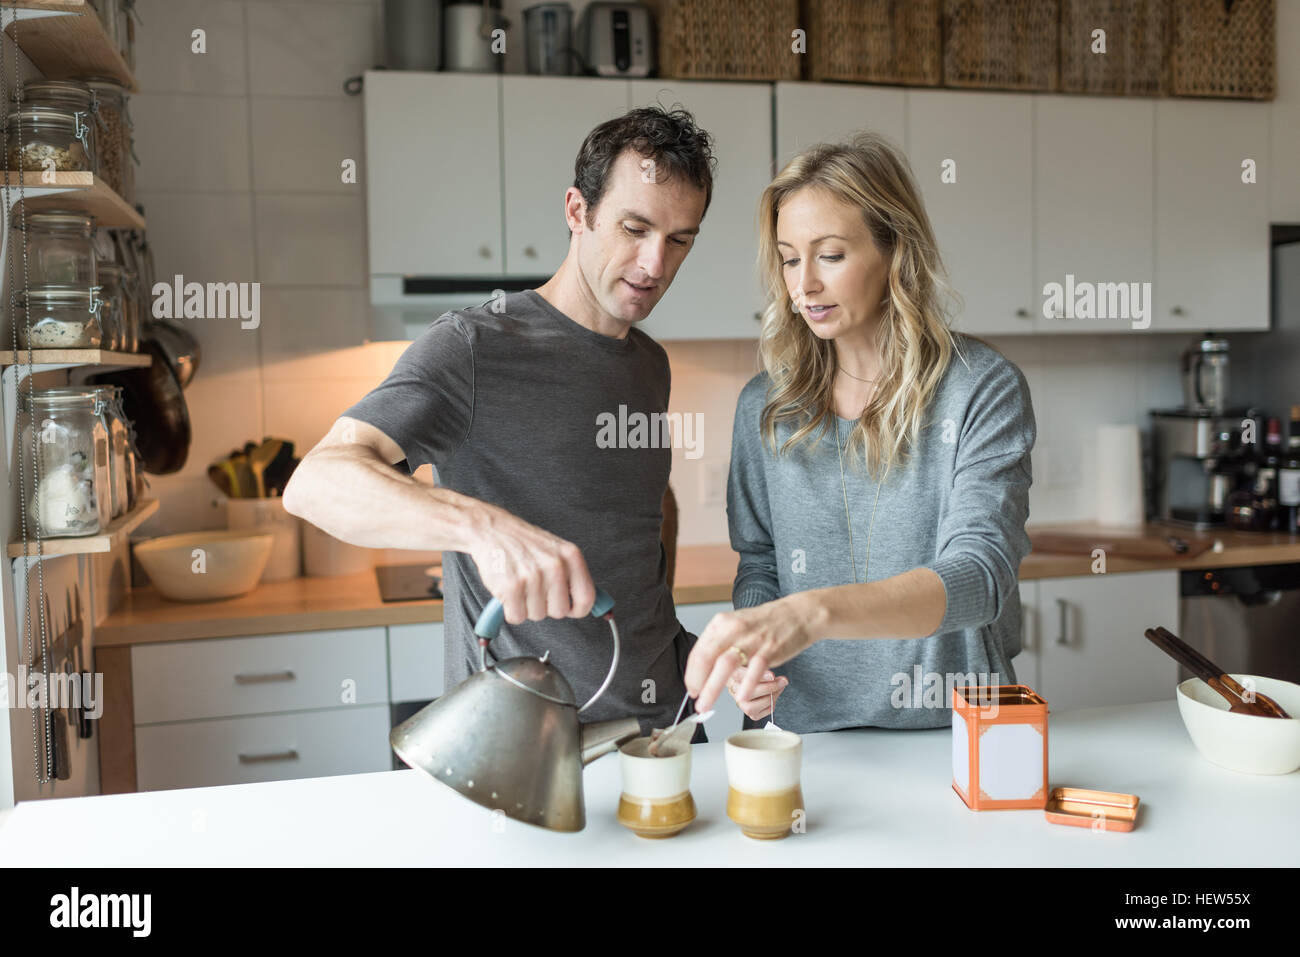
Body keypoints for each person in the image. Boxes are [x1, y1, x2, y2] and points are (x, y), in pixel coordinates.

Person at [283, 107, 717, 733]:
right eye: (634, 227)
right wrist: (485, 530)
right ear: (577, 211)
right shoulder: (474, 346)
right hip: (531, 743)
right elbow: (317, 482)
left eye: (680, 240)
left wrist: (666, 635)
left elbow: (646, 504)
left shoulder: (648, 362)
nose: (655, 264)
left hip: (667, 726)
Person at [687, 132, 1036, 733]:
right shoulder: (764, 407)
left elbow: (980, 577)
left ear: (894, 249)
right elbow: (762, 563)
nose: (805, 286)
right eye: (790, 259)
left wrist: (812, 613)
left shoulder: (980, 389)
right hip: (802, 731)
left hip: (952, 729)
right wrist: (756, 649)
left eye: (830, 255)